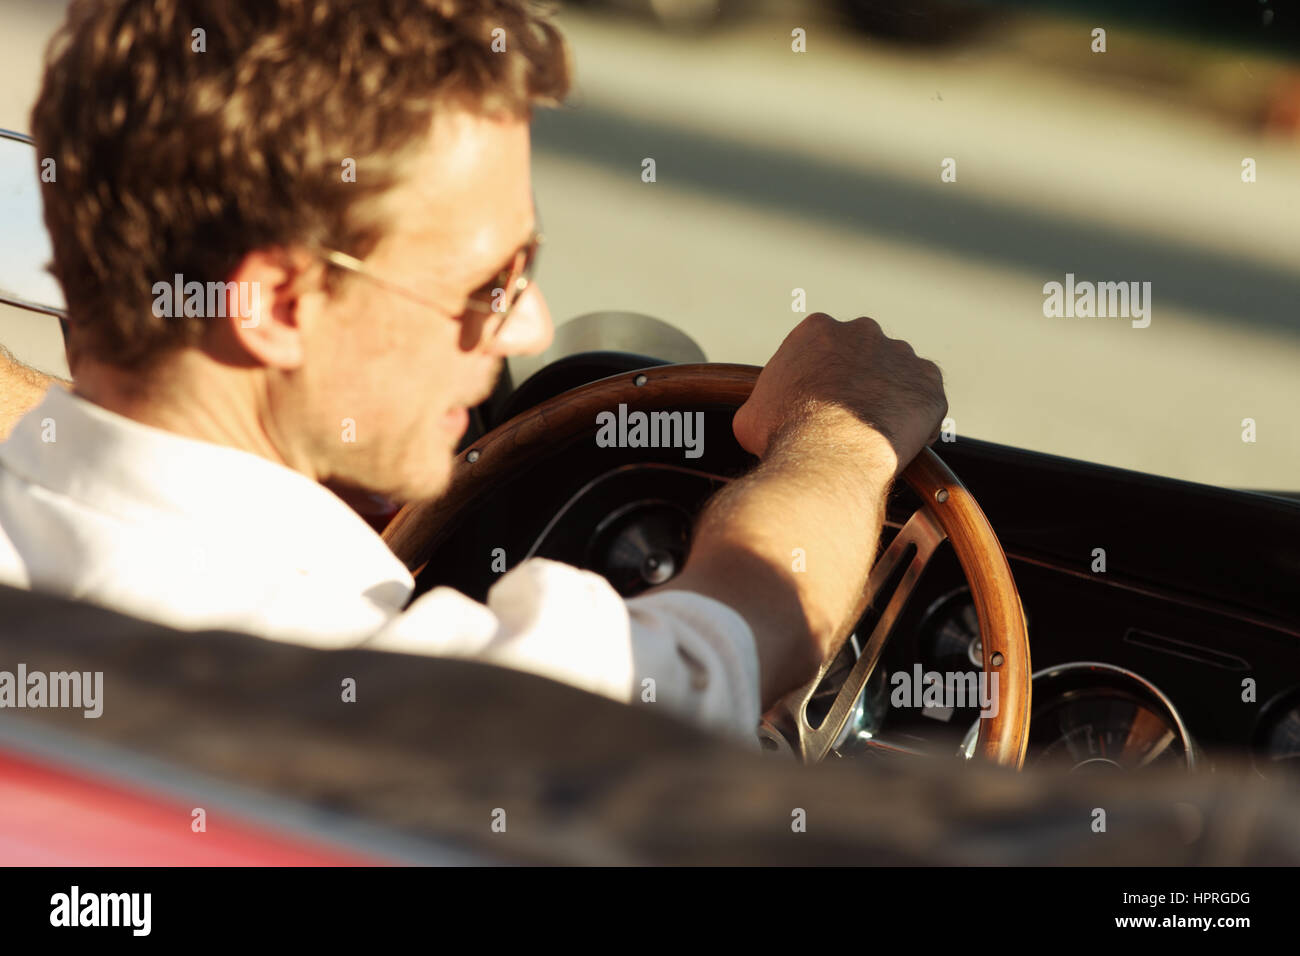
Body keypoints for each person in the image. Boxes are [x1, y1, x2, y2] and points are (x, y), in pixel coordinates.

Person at [0, 0, 945, 745]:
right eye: (487, 284)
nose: (530, 320)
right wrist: (842, 433)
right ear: (278, 307)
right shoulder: (379, 708)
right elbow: (734, 640)